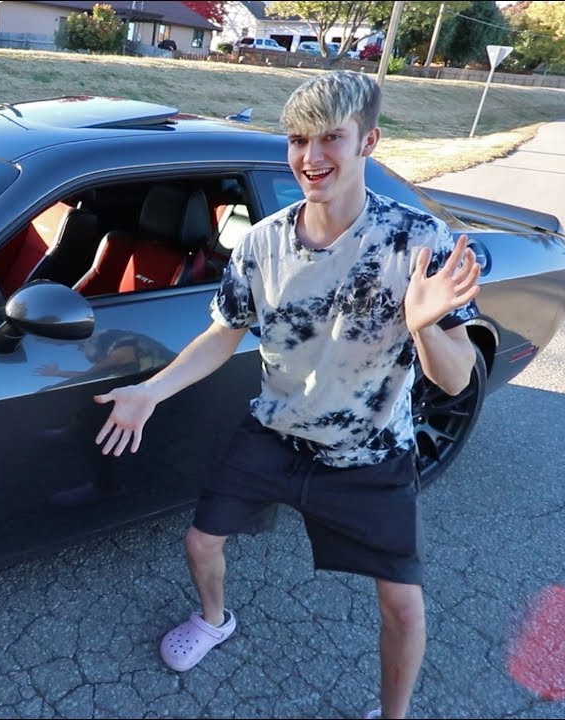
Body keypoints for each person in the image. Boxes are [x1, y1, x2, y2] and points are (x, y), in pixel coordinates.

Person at [91, 70, 480, 719]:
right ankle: (215, 620)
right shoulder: (263, 242)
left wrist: (421, 326)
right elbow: (223, 335)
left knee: (402, 605)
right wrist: (151, 391)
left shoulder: (421, 244)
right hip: (275, 430)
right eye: (299, 138)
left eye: (331, 137)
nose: (311, 155)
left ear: (369, 141)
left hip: (370, 449)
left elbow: (456, 377)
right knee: (199, 542)